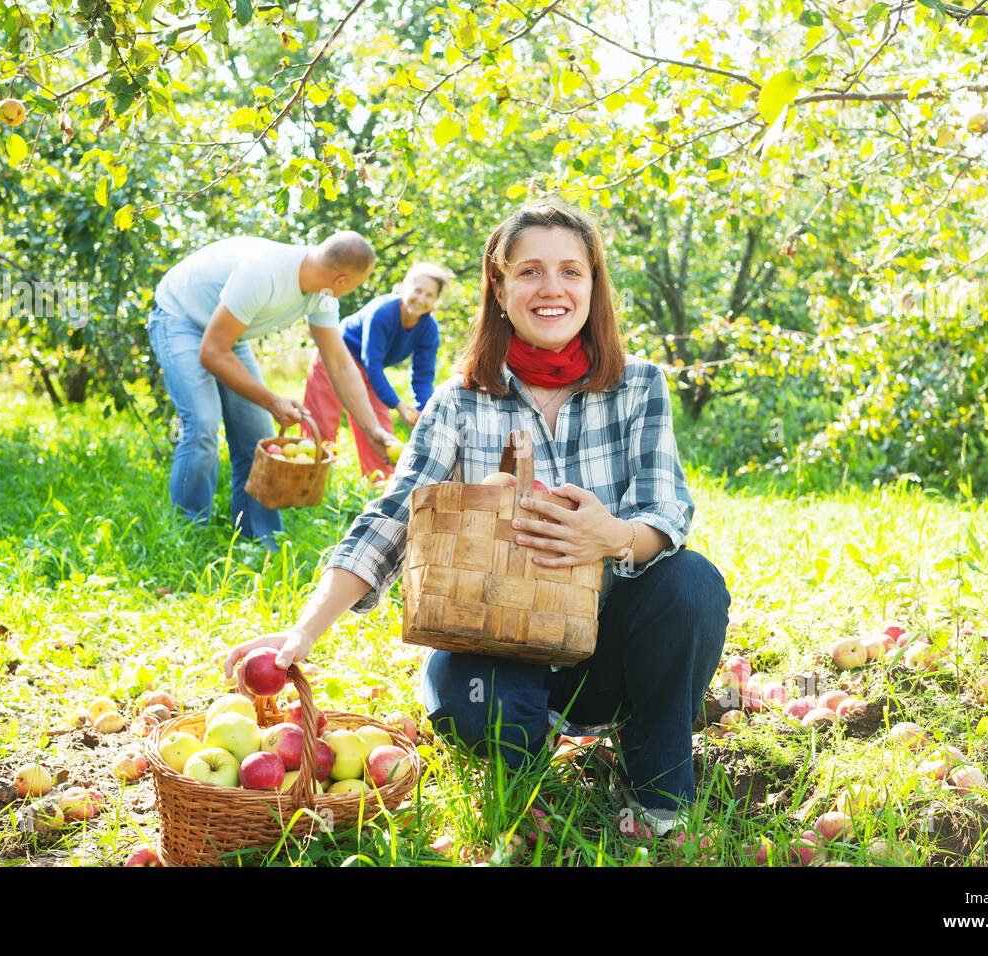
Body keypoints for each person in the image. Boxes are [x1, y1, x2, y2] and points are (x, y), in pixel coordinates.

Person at [222, 201, 731, 835]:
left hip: (606, 650)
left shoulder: (638, 386)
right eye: (530, 272)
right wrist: (300, 634)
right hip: (495, 644)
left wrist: (613, 536)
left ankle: (657, 786)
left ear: (594, 283)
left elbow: (667, 508)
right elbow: (396, 516)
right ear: (499, 283)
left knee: (693, 583)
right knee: (472, 698)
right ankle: (523, 780)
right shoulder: (460, 401)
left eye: (572, 271)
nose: (553, 289)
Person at [147, 232, 397, 546]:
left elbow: (339, 363)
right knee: (202, 426)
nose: (354, 291)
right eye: (358, 285)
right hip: (180, 318)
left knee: (257, 436)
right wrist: (271, 400)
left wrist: (372, 429)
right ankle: (187, 536)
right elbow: (212, 352)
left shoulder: (321, 291)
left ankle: (259, 538)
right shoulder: (264, 273)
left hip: (227, 334)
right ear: (343, 280)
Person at [302, 262, 453, 480]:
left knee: (379, 430)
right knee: (322, 424)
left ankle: (378, 486)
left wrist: (422, 409)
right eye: (417, 290)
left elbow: (423, 375)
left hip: (369, 370)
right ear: (404, 288)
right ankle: (308, 480)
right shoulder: (381, 312)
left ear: (435, 301)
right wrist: (398, 404)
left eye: (429, 295)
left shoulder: (429, 329)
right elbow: (372, 364)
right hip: (336, 357)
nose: (421, 299)